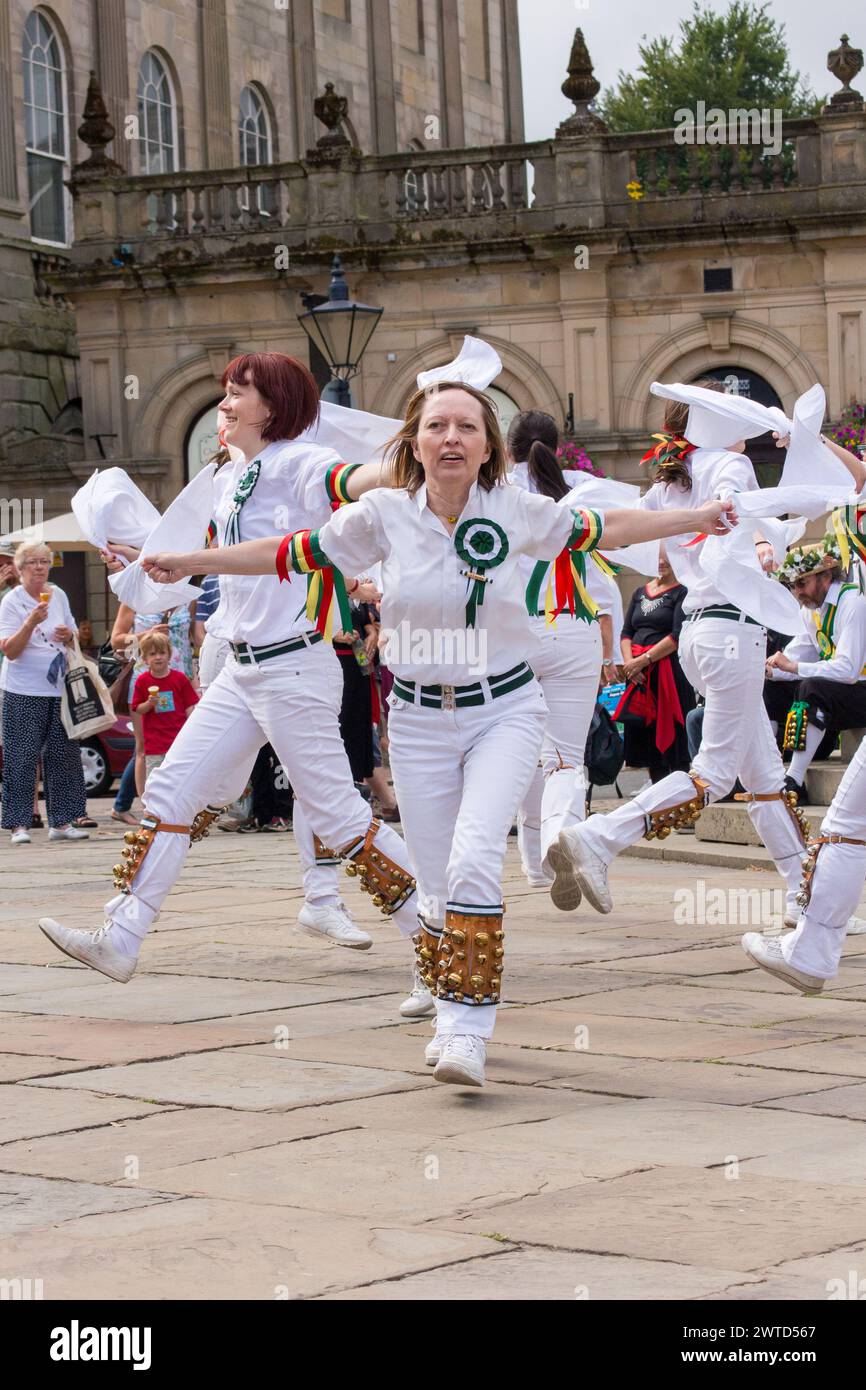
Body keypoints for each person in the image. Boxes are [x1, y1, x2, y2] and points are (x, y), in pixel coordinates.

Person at [137, 380, 734, 1087]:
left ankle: (465, 1032)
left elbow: (611, 531)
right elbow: (289, 555)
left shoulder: (520, 511)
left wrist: (699, 515)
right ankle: (449, 998)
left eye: (468, 428)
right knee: (437, 884)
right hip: (416, 721)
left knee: (478, 856)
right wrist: (192, 563)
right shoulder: (381, 516)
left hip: (506, 712)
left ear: (488, 448)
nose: (451, 438)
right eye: (437, 426)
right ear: (415, 443)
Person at [38, 351, 422, 982]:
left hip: (293, 669)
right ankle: (122, 936)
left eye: (238, 392)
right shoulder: (231, 476)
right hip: (240, 669)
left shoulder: (301, 463)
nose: (224, 402)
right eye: (225, 391)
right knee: (170, 788)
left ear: (273, 407)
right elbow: (221, 562)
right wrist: (155, 558)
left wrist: (412, 462)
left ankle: (439, 935)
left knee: (339, 815)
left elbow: (352, 480)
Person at [550, 379, 816, 928]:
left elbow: (631, 530)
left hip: (698, 632)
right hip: (729, 633)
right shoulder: (727, 467)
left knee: (764, 776)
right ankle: (598, 839)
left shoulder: (673, 482)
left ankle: (805, 898)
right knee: (714, 775)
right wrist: (768, 535)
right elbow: (741, 514)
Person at [507, 410, 606, 906]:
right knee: (566, 754)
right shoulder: (582, 489)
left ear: (507, 448)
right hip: (575, 628)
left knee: (525, 750)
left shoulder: (496, 490)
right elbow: (606, 581)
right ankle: (559, 837)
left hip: (517, 633)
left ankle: (532, 863)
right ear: (558, 445)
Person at [0, 542, 89, 844]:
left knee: (64, 755)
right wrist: (30, 622)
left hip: (59, 686)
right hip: (23, 689)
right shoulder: (11, 601)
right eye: (33, 562)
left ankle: (62, 823)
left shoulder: (59, 595)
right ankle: (19, 825)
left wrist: (68, 635)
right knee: (21, 757)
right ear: (20, 568)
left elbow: (74, 634)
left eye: (44, 562)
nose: (39, 567)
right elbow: (10, 651)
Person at [765, 536, 866, 800]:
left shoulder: (853, 601)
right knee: (771, 686)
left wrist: (794, 667)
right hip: (844, 693)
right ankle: (769, 767)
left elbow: (848, 670)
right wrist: (771, 668)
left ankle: (794, 780)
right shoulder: (810, 610)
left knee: (812, 686)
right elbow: (797, 655)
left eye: (802, 583)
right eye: (792, 585)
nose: (797, 592)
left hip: (860, 687)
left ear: (825, 576)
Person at [616, 545, 694, 782]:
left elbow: (677, 635)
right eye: (657, 558)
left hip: (668, 674)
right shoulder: (640, 592)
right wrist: (630, 664)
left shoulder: (682, 592)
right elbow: (626, 632)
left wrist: (644, 660)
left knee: (676, 743)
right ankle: (658, 799)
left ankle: (681, 803)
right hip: (640, 677)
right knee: (647, 743)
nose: (661, 562)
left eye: (667, 558)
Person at [131, 631, 199, 783]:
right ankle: (152, 806)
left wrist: (192, 732)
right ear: (145, 659)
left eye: (162, 652)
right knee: (156, 782)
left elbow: (190, 708)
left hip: (178, 742)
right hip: (154, 745)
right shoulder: (142, 681)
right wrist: (149, 703)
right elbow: (137, 708)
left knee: (179, 781)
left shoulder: (179, 679)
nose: (158, 657)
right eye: (153, 653)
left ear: (169, 655)